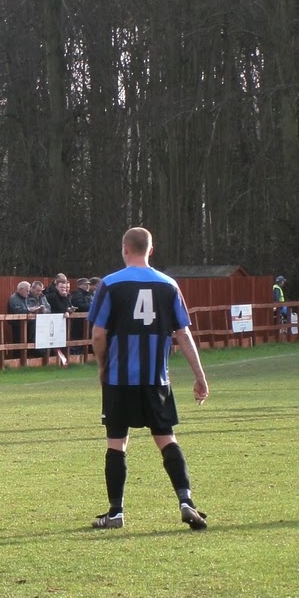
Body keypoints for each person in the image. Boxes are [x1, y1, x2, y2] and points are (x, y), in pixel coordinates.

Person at [88, 227, 210, 531]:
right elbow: (183, 333)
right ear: (151, 250)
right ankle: (186, 501)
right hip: (156, 379)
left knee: (117, 442)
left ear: (124, 249)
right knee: (166, 438)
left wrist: (103, 366)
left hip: (119, 378)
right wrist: (200, 376)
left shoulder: (111, 284)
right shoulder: (169, 285)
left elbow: (99, 334)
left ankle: (115, 512)